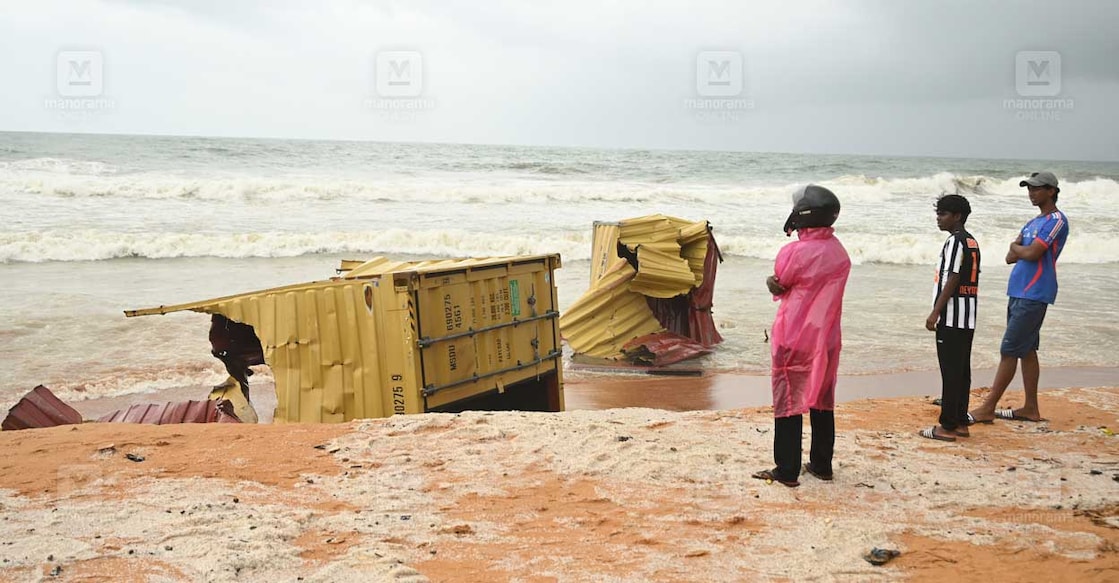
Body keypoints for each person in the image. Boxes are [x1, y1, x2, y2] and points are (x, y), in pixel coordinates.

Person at [752, 185, 851, 487]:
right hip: (827, 338)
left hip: (795, 335)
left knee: (788, 401)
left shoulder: (793, 252)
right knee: (822, 398)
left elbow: (780, 283)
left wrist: (772, 283)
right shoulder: (840, 252)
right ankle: (822, 464)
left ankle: (787, 469)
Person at [969, 171, 1069, 424]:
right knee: (1027, 350)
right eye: (1029, 189)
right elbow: (1010, 256)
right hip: (1018, 291)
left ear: (1051, 191)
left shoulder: (1056, 220)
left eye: (1036, 189)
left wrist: (1020, 248)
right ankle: (1031, 408)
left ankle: (988, 407)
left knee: (1009, 349)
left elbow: (1033, 252)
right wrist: (1019, 249)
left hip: (1034, 292)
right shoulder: (1032, 222)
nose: (1031, 193)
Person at [919, 195, 980, 442]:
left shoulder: (955, 241)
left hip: (952, 317)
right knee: (962, 371)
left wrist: (936, 311)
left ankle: (947, 425)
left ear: (957, 216)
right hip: (968, 316)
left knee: (951, 372)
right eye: (938, 213)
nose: (938, 218)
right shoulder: (972, 241)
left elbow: (953, 277)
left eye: (943, 214)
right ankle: (962, 421)